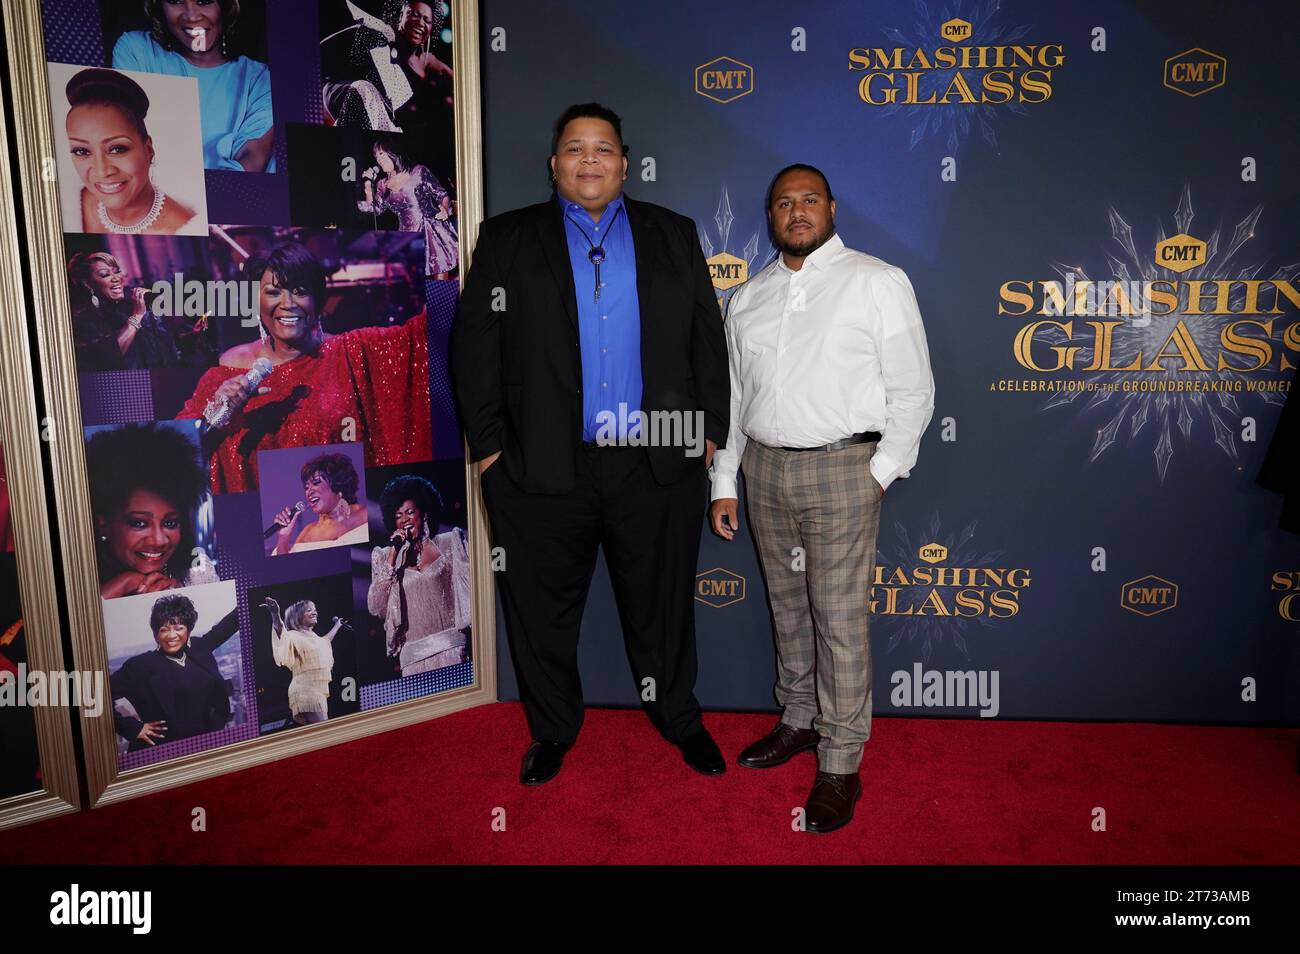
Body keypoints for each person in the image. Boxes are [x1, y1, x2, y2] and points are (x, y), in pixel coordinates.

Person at [451, 102, 730, 785]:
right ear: (555, 164)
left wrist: (709, 434)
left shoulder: (672, 233)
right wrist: (489, 453)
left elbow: (705, 341)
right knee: (541, 612)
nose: (589, 160)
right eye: (575, 148)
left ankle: (679, 719)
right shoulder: (508, 238)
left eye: (602, 148)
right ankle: (553, 729)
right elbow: (474, 349)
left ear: (625, 162)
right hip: (541, 464)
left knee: (662, 608)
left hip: (657, 462)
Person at [709, 164, 935, 834]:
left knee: (838, 621)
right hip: (765, 473)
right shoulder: (745, 297)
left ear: (832, 208)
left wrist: (881, 470)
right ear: (769, 215)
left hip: (845, 470)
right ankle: (799, 720)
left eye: (809, 199)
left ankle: (841, 763)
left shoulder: (878, 281)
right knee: (787, 608)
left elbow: (914, 390)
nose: (797, 211)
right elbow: (733, 399)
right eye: (784, 202)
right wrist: (726, 480)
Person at [176, 240, 431, 493]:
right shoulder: (225, 371)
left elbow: (427, 335)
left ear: (318, 300)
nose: (288, 303)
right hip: (256, 522)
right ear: (257, 301)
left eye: (299, 290)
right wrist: (215, 416)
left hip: (342, 521)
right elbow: (174, 454)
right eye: (274, 292)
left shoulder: (352, 352)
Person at [112, 0, 276, 173]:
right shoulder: (137, 51)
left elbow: (253, 156)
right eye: (175, 1)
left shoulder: (258, 78)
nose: (191, 16)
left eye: (203, 1)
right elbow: (128, 138)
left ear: (225, 6)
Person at [85, 423, 218, 599]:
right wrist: (123, 584)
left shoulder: (196, 573)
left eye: (170, 523)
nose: (159, 540)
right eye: (139, 523)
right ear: (102, 525)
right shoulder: (77, 578)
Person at [64, 68, 196, 235]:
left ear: (148, 149)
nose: (102, 171)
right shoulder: (77, 201)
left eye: (117, 149)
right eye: (82, 151)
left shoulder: (183, 229)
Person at [367, 475, 470, 676]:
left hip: (452, 649)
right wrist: (393, 556)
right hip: (413, 658)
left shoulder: (450, 543)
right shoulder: (386, 557)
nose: (404, 519)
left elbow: (471, 591)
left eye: (409, 512)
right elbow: (377, 607)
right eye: (398, 515)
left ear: (424, 513)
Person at [110, 594, 239, 751]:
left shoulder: (199, 648)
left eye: (179, 628)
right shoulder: (140, 667)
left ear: (188, 630)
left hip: (206, 744)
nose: (172, 636)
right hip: (163, 751)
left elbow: (228, 625)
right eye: (164, 630)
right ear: (156, 634)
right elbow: (93, 695)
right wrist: (132, 728)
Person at [321, 0, 454, 134]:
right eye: (414, 14)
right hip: (343, 90)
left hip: (375, 114)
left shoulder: (426, 60)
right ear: (402, 14)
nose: (420, 23)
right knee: (366, 90)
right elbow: (324, 48)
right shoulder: (378, 35)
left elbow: (460, 81)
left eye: (427, 20)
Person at [358, 139, 458, 277]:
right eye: (376, 156)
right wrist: (368, 189)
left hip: (431, 231)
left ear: (393, 153)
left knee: (439, 283)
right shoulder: (382, 184)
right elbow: (375, 209)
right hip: (408, 237)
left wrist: (445, 209)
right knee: (415, 286)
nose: (378, 159)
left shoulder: (418, 172)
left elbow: (442, 195)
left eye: (381, 154)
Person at [67, 251, 180, 371]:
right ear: (87, 283)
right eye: (105, 275)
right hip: (127, 385)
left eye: (117, 272)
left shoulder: (131, 306)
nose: (116, 278)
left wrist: (194, 334)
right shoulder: (83, 319)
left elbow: (168, 348)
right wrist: (137, 316)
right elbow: (108, 358)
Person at [269, 452, 370, 555]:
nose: (309, 491)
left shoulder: (366, 515)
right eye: (306, 487)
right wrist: (283, 537)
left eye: (316, 483)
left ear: (337, 484)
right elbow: (289, 568)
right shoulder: (307, 534)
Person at [262, 596, 342, 725]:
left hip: (318, 692)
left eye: (314, 609)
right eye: (309, 610)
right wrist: (275, 615)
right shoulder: (294, 636)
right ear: (298, 616)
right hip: (305, 690)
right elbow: (281, 634)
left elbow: (326, 640)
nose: (314, 612)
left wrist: (337, 626)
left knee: (321, 732)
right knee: (323, 731)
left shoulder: (314, 637)